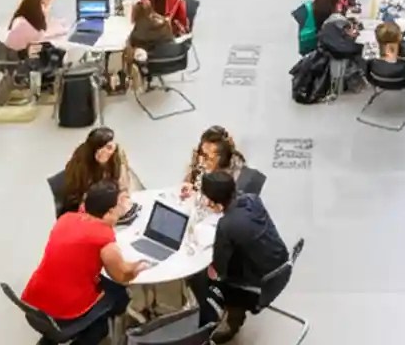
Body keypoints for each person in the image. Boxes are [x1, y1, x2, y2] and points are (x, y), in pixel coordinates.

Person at [21, 181, 150, 345]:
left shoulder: (66, 218)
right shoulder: (103, 238)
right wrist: (139, 266)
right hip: (65, 310)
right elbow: (122, 276)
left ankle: (51, 337)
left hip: (37, 300)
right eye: (120, 204)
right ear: (110, 211)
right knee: (119, 296)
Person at [187, 171, 291, 343]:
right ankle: (232, 315)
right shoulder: (253, 200)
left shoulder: (226, 224)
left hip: (261, 288)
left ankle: (214, 326)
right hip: (281, 268)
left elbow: (219, 268)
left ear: (215, 204)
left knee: (201, 279)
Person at [60, 127, 133, 217]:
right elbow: (83, 197)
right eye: (104, 149)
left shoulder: (117, 156)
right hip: (83, 208)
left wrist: (122, 200)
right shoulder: (81, 163)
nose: (108, 152)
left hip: (109, 204)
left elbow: (123, 188)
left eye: (110, 148)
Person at [181, 126, 247, 198]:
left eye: (208, 158)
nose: (202, 161)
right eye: (201, 154)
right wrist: (188, 185)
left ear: (222, 159)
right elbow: (187, 184)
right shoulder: (199, 161)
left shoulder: (236, 180)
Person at [123, 0, 176, 73]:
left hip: (152, 61)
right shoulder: (163, 22)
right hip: (171, 58)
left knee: (127, 50)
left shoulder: (140, 29)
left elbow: (132, 41)